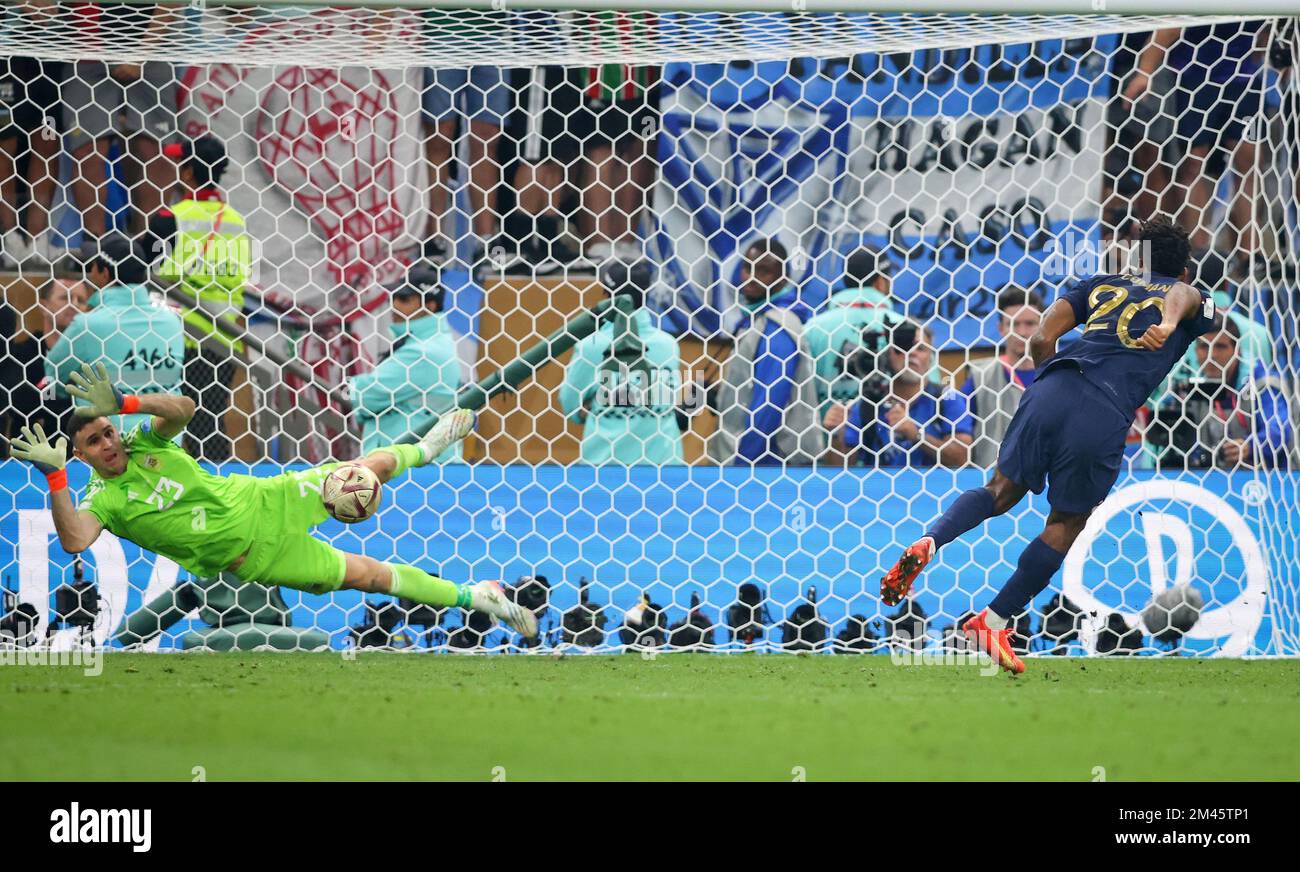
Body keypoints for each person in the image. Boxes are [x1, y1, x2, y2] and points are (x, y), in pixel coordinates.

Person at [878, 217, 1217, 674]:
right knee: (1066, 521)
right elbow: (1185, 296)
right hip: (1104, 408)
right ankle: (993, 620)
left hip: (1049, 387)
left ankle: (929, 540)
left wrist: (1049, 388)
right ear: (1184, 269)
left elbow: (1040, 338)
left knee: (999, 489)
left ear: (1137, 260)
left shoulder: (1100, 284)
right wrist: (1170, 320)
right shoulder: (1185, 297)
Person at [7, 367, 537, 638]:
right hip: (255, 560)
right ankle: (478, 595)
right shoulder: (104, 500)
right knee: (371, 576)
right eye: (95, 441)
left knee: (358, 474)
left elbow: (186, 408)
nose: (110, 442)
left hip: (265, 500)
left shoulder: (147, 439)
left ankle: (423, 447)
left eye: (109, 430)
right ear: (78, 454)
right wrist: (55, 477)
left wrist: (125, 402)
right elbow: (75, 539)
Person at [152, 134, 251, 462]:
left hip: (184, 338)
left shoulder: (171, 217)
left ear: (189, 172)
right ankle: (218, 484)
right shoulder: (238, 221)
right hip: (225, 338)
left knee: (181, 422)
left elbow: (145, 267)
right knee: (211, 421)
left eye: (181, 164)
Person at [45, 234, 184, 434]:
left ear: (104, 273)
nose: (89, 271)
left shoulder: (87, 325)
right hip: (166, 443)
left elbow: (53, 376)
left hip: (112, 448)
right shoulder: (172, 322)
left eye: (92, 265)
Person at [62, 3, 181, 238]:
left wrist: (141, 54)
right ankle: (95, 251)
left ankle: (147, 246)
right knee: (88, 150)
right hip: (86, 50)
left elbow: (173, 3)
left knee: (155, 152)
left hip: (154, 47)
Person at [707, 239, 819, 466]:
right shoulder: (756, 320)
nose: (751, 277)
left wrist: (743, 469)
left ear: (783, 277)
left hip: (763, 466)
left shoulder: (778, 328)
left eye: (764, 271)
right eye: (748, 267)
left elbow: (768, 405)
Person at [559, 270, 684, 465]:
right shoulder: (668, 344)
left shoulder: (591, 346)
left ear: (606, 296)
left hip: (605, 465)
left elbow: (569, 403)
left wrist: (597, 408)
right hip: (665, 464)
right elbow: (671, 399)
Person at [1146, 315, 1292, 470]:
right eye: (1204, 346)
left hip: (1262, 477)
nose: (1211, 355)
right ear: (1195, 351)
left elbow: (1279, 428)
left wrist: (1250, 447)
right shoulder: (1188, 384)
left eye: (1220, 346)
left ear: (1237, 350)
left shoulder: (1262, 382)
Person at [347, 266, 461, 458]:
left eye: (405, 299)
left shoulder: (425, 352)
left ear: (430, 306)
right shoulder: (428, 342)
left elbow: (365, 395)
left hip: (416, 468)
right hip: (414, 463)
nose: (395, 306)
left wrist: (354, 386)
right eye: (394, 298)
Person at [823, 321, 971, 468]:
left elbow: (962, 458)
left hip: (935, 490)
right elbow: (839, 469)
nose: (911, 353)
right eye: (902, 347)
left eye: (920, 348)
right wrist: (837, 434)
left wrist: (916, 435)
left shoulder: (947, 398)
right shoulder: (868, 404)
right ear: (888, 355)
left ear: (931, 358)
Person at [804, 246, 904, 413]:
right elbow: (928, 389)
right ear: (880, 282)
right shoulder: (905, 328)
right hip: (889, 436)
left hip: (824, 434)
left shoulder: (812, 328)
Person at [959, 288, 1046, 467]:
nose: (1021, 332)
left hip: (1046, 485)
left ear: (1043, 326)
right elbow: (959, 434)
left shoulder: (1060, 375)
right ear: (1001, 328)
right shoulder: (980, 377)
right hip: (993, 484)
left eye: (1030, 323)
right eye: (1013, 324)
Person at [0, 277, 87, 444]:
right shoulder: (20, 356)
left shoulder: (91, 358)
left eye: (81, 300)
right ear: (43, 305)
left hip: (82, 458)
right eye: (65, 298)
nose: (74, 305)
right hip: (31, 461)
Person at [0, 48, 64, 267]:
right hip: (5, 54)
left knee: (47, 142)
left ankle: (37, 242)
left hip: (46, 50)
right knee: (4, 146)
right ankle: (11, 241)